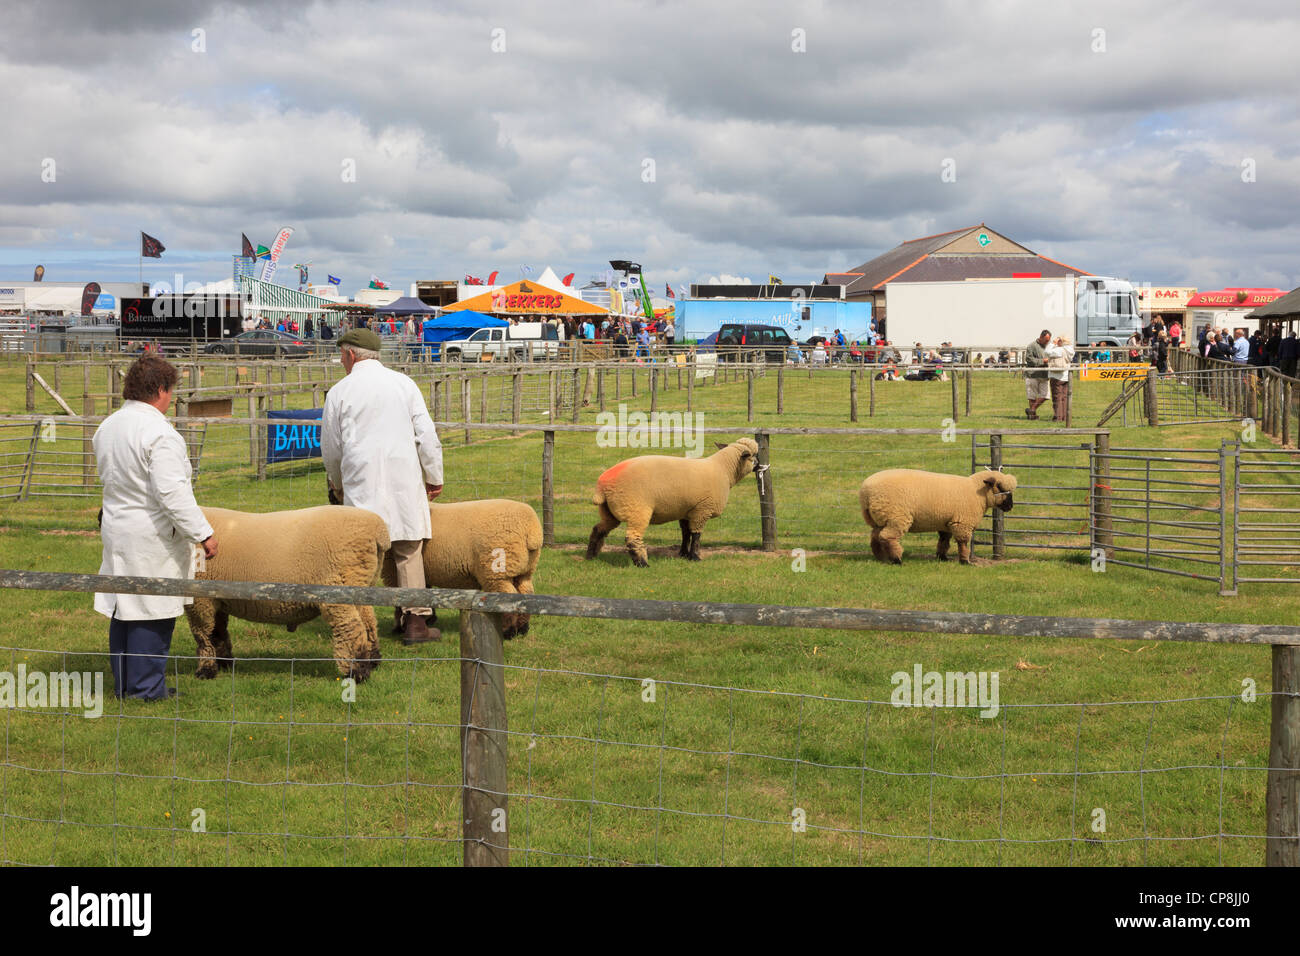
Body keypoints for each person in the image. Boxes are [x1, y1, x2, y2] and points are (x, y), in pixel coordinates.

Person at [94, 355, 218, 701]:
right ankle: (146, 690)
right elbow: (171, 493)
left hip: (117, 526)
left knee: (124, 605)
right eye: (171, 391)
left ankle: (125, 685)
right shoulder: (160, 433)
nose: (171, 398)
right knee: (152, 606)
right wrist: (203, 533)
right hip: (151, 534)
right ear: (161, 390)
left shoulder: (109, 426)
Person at [321, 328, 444, 644]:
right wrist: (434, 476)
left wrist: (337, 483)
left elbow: (332, 448)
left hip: (362, 484)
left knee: (362, 556)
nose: (341, 361)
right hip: (403, 481)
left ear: (350, 355)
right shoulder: (404, 384)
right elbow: (426, 436)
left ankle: (358, 624)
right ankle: (415, 621)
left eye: (341, 356)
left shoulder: (339, 392)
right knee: (407, 550)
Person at [1024, 329, 1051, 420]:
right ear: (1041, 337)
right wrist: (1042, 361)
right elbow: (1029, 359)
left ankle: (1031, 410)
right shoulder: (1031, 346)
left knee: (1045, 395)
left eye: (1049, 340)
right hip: (1032, 374)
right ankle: (1033, 415)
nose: (1048, 342)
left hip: (1044, 374)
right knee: (1032, 396)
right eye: (1046, 340)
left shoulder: (1049, 347)